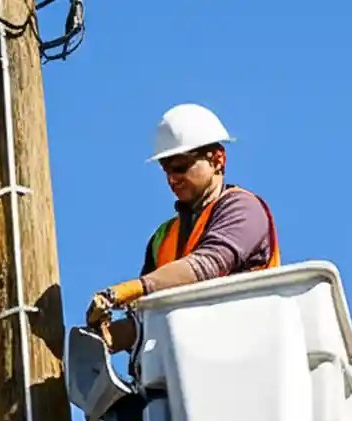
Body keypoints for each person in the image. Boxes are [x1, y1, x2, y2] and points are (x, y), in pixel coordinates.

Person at [85, 103, 281, 353]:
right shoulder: (163, 237)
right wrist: (102, 337)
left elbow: (208, 265)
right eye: (165, 169)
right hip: (183, 364)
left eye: (180, 167)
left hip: (243, 352)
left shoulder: (243, 209)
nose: (171, 179)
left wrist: (128, 290)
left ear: (218, 159)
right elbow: (146, 319)